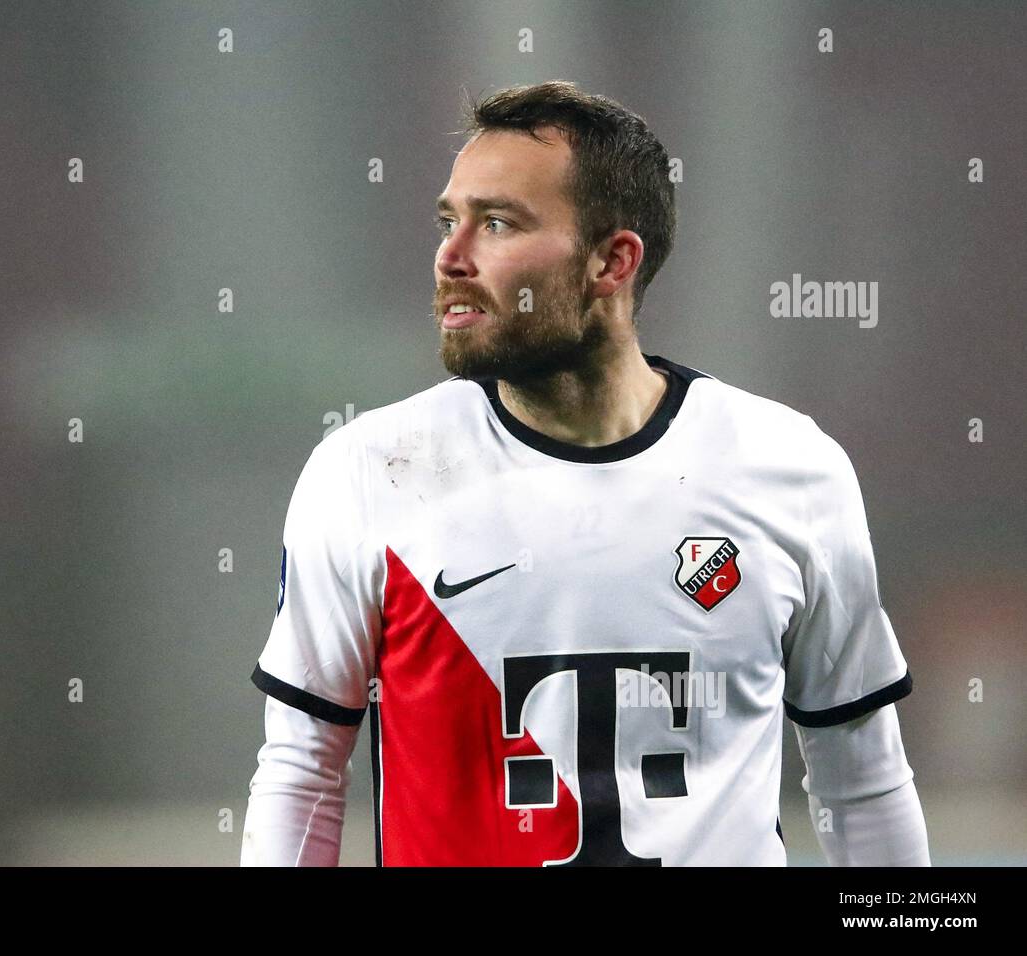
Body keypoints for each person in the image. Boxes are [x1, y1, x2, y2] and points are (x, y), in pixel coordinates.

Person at [240, 80, 930, 866]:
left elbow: (861, 780)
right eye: (447, 221)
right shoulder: (370, 471)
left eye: (496, 223)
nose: (450, 257)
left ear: (612, 260)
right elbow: (302, 770)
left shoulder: (792, 469)